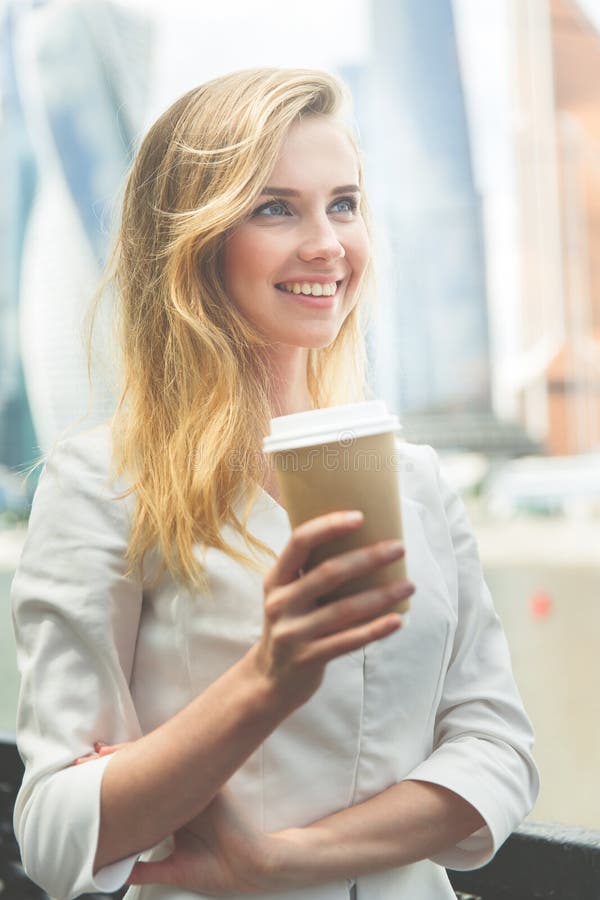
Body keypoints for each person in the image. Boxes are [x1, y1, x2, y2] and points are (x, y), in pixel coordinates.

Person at [11, 67, 539, 900]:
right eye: (275, 207)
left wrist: (273, 862)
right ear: (193, 241)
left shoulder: (420, 480)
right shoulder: (102, 485)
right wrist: (267, 679)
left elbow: (497, 751)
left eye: (344, 202)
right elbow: (52, 828)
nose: (328, 242)